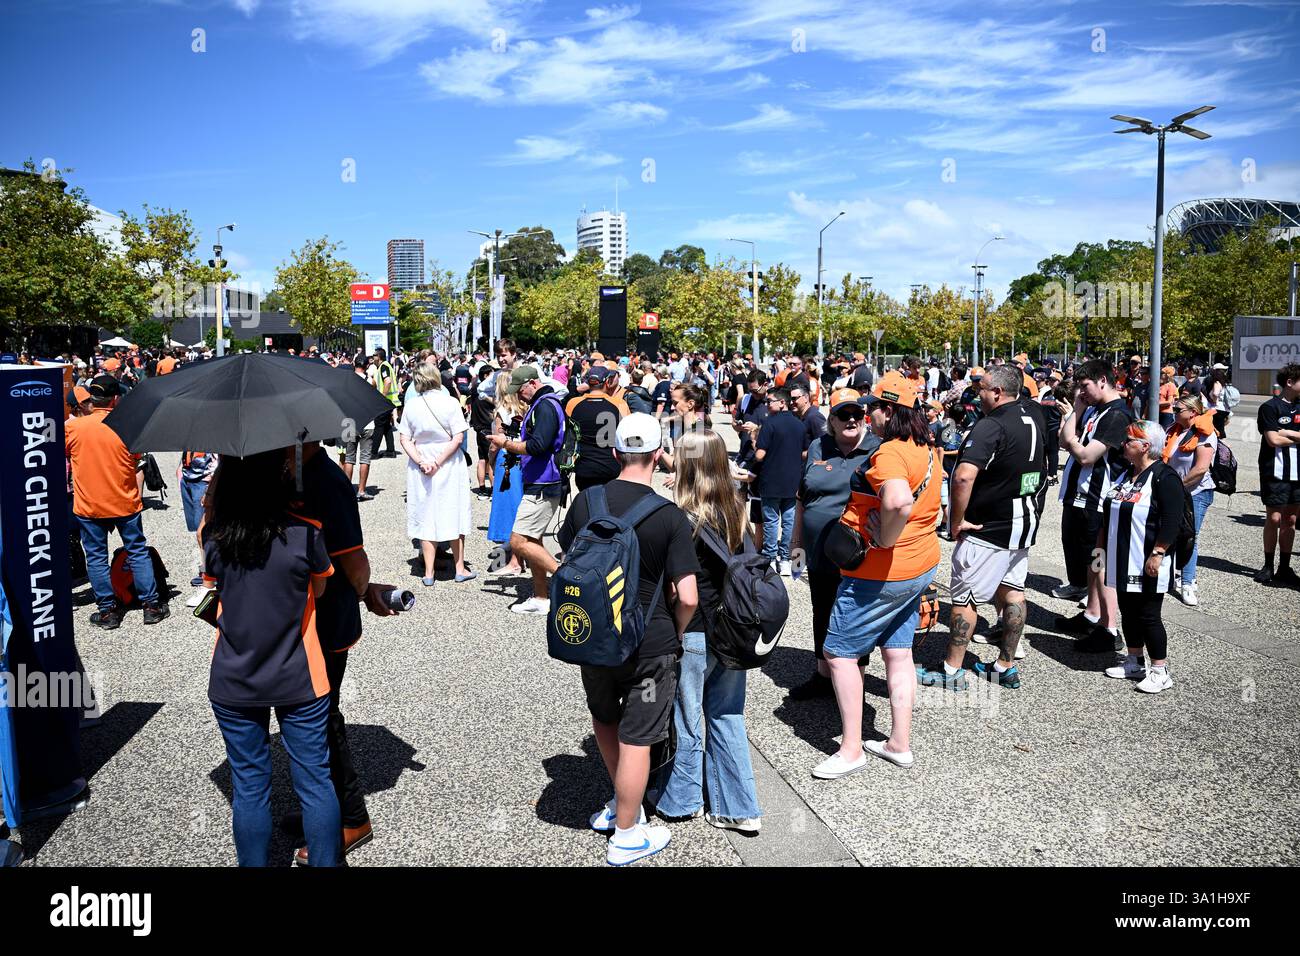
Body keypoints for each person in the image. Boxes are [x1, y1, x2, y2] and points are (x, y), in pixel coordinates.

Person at [559, 414, 700, 866]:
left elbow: (570, 557)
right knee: (639, 735)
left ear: (616, 452)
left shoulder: (586, 502)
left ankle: (622, 805)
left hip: (596, 636)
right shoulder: (669, 516)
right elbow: (689, 596)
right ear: (660, 455)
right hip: (649, 642)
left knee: (605, 718)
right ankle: (626, 833)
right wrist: (676, 632)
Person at [203, 450, 341, 867]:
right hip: (300, 673)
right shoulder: (306, 534)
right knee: (315, 781)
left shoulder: (214, 538)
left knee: (249, 785)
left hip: (233, 674)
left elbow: (213, 590)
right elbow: (316, 592)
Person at [812, 372, 941, 778]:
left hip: (881, 572)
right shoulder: (926, 447)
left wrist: (884, 539)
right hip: (921, 563)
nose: (868, 414)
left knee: (839, 653)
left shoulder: (889, 454)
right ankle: (898, 742)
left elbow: (899, 500)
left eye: (873, 408)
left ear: (888, 411)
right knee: (899, 653)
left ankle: (851, 749)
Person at [653, 428, 762, 833]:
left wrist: (676, 632)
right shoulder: (736, 509)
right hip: (735, 629)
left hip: (697, 630)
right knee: (727, 714)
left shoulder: (681, 517)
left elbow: (684, 594)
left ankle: (682, 800)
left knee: (687, 716)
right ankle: (738, 807)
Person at [919, 365, 1047, 691]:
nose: (978, 394)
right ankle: (1005, 665)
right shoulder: (1034, 417)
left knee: (966, 600)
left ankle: (951, 670)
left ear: (997, 393)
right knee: (1013, 593)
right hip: (1022, 523)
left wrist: (956, 520)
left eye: (983, 389)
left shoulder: (991, 425)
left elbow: (963, 476)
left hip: (987, 527)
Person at [788, 388, 878, 700]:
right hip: (816, 552)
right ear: (832, 419)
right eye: (844, 414)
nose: (851, 419)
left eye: (856, 413)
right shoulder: (818, 446)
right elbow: (803, 499)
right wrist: (796, 545)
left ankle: (856, 681)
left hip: (856, 555)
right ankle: (823, 674)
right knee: (821, 609)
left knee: (854, 614)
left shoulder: (875, 449)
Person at [64, 375, 168, 629]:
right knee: (137, 551)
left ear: (91, 397)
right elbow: (136, 458)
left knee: (96, 557)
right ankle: (151, 606)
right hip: (124, 501)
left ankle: (108, 610)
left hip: (90, 504)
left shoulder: (73, 428)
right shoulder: (126, 425)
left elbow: (66, 454)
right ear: (116, 398)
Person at [1054, 360, 1133, 657]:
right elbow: (1065, 440)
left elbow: (1087, 455)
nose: (1082, 392)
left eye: (1085, 386)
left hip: (1098, 500)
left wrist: (1073, 440)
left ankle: (1109, 628)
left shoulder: (1117, 414)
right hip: (1078, 497)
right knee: (1090, 561)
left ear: (1102, 380)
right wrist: (1076, 408)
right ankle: (1091, 615)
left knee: (1101, 562)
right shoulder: (1091, 409)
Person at [1101, 421, 1185, 693]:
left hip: (1149, 558)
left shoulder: (1164, 477)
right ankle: (1134, 660)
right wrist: (1099, 550)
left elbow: (1172, 520)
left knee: (1149, 614)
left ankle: (1160, 670)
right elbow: (1109, 514)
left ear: (1145, 446)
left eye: (1129, 441)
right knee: (1128, 610)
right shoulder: (1127, 474)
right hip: (1122, 557)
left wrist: (1158, 553)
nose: (1124, 444)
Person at [488, 366, 567, 615]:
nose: (519, 395)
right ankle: (541, 597)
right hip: (541, 480)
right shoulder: (546, 403)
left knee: (519, 542)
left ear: (532, 383)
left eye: (520, 390)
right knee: (533, 540)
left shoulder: (545, 404)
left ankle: (572, 580)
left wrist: (507, 444)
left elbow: (538, 445)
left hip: (544, 483)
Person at [398, 364, 475, 585]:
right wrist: (438, 461)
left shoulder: (411, 405)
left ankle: (429, 572)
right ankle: (459, 567)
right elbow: (458, 437)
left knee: (425, 512)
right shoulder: (450, 402)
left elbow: (404, 438)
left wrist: (422, 461)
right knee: (454, 509)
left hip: (421, 460)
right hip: (448, 461)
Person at [1161, 394, 1216, 607]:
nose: (1174, 412)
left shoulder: (1205, 434)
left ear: (1193, 412)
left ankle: (1188, 582)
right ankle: (1171, 576)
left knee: (1189, 537)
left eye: (1178, 410)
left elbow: (1200, 469)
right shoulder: (1173, 430)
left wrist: (1176, 488)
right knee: (1171, 533)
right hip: (1176, 491)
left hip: (1196, 493)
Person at [1254, 363, 1300, 586]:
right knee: (1273, 518)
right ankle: (1268, 564)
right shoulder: (1269, 407)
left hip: (1298, 473)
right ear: (1289, 382)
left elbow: (1282, 436)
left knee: (1291, 519)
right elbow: (1273, 440)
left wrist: (1289, 432)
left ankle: (1284, 567)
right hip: (1275, 471)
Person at [753, 388, 804, 576]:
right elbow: (804, 452)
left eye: (770, 401)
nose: (767, 404)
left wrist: (754, 447)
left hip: (771, 480)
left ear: (782, 402)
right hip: (792, 480)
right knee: (789, 521)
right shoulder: (799, 424)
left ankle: (770, 558)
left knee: (771, 521)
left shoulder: (769, 423)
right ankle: (785, 558)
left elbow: (760, 455)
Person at [487, 371, 527, 576]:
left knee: (508, 510)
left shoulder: (501, 410)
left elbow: (496, 442)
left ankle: (514, 558)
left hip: (507, 460)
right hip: (525, 458)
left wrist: (490, 462)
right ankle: (520, 553)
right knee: (521, 507)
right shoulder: (526, 407)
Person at [565, 366, 629, 491]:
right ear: (607, 382)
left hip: (584, 468)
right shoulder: (619, 404)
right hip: (612, 467)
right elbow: (627, 436)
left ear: (588, 382)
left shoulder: (573, 403)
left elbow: (568, 436)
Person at [179, 448, 219, 607]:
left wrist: (212, 485)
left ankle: (209, 580)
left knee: (204, 533)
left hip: (206, 479)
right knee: (200, 532)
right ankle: (208, 573)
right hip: (189, 475)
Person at [343, 356, 377, 500]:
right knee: (365, 458)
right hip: (368, 421)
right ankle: (361, 490)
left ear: (354, 364)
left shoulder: (347, 380)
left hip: (350, 421)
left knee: (349, 458)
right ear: (366, 366)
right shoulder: (370, 381)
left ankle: (346, 490)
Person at [468, 365, 497, 496]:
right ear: (486, 376)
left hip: (478, 427)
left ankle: (482, 489)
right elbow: (497, 404)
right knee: (491, 460)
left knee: (482, 459)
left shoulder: (475, 390)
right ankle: (493, 490)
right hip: (487, 427)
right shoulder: (486, 393)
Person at [369, 348, 400, 459]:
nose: (372, 358)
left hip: (385, 401)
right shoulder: (380, 368)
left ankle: (373, 452)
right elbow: (376, 382)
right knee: (386, 426)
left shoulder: (384, 367)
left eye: (374, 355)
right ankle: (390, 451)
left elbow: (387, 381)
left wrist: (382, 397)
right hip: (388, 402)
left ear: (379, 356)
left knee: (379, 425)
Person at [788, 383, 826, 458]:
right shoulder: (798, 417)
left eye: (794, 398)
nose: (791, 402)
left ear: (806, 398)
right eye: (789, 399)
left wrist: (802, 454)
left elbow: (825, 445)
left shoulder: (814, 417)